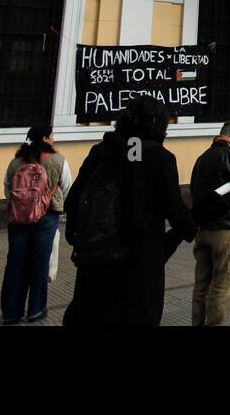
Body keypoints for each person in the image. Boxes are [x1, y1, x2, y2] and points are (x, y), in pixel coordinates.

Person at [63, 96, 196, 327]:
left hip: (95, 258)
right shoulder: (159, 158)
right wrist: (191, 226)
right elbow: (175, 210)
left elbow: (73, 199)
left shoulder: (101, 151)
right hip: (137, 262)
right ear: (156, 121)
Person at [1, 123, 71, 324]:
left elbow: (7, 187)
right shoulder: (59, 161)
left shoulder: (17, 162)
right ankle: (36, 309)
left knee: (15, 263)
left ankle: (11, 313)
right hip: (47, 216)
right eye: (52, 135)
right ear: (46, 139)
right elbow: (67, 187)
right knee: (40, 263)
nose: (54, 138)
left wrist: (20, 205)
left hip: (17, 218)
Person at [190, 121, 230, 326]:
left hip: (203, 228)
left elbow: (194, 190)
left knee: (201, 285)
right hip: (225, 228)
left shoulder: (202, 159)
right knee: (221, 285)